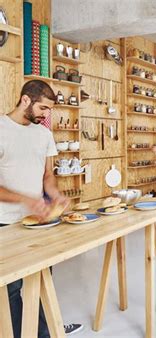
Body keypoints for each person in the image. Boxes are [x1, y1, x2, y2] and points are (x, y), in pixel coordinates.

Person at [0, 80, 83, 337]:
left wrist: (56, 195)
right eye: (43, 108)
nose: (47, 115)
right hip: (4, 222)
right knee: (10, 290)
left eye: (49, 110)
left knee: (42, 281)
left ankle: (45, 332)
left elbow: (47, 174)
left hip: (38, 221)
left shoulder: (44, 134)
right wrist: (26, 200)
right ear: (26, 100)